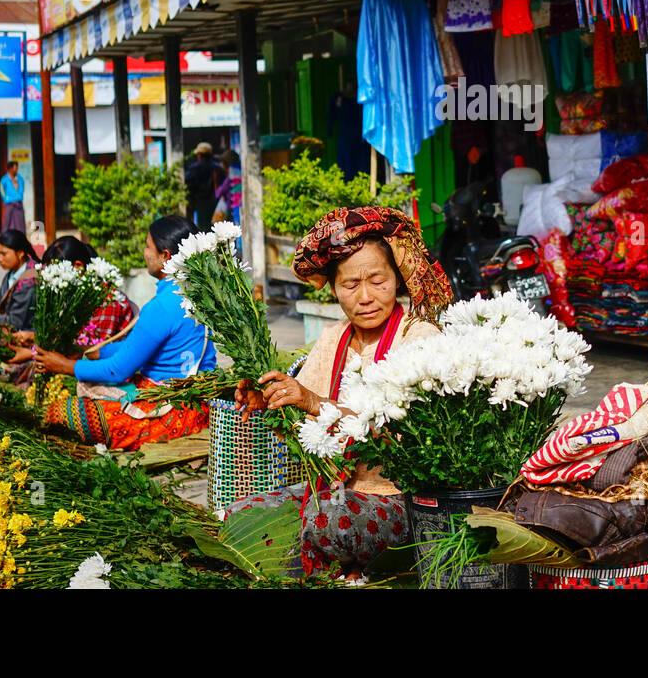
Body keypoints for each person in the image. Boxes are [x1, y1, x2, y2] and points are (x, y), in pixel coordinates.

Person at [230, 206, 453, 579]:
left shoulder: (419, 336)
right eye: (350, 285)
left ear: (397, 280)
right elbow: (305, 421)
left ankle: (355, 565)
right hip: (334, 492)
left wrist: (314, 401)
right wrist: (271, 401)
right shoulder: (333, 337)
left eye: (377, 281)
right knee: (241, 514)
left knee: (332, 522)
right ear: (333, 289)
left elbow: (400, 432)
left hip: (400, 500)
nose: (365, 296)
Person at [33, 216, 216, 450]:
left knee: (60, 416)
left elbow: (118, 369)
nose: (144, 252)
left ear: (165, 256)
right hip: (197, 400)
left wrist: (63, 366)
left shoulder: (162, 306)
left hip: (175, 409)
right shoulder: (195, 292)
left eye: (148, 246)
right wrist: (95, 352)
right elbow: (143, 347)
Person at [5, 236, 137, 383]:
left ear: (78, 266)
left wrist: (32, 353)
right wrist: (34, 338)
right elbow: (69, 340)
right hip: (77, 364)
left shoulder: (108, 300)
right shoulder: (78, 293)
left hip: (101, 374)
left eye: (57, 274)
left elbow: (91, 352)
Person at [184, 142, 225, 228]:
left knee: (203, 229)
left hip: (200, 204)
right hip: (216, 204)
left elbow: (188, 186)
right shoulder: (218, 168)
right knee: (217, 229)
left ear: (199, 155)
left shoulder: (194, 169)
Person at [215, 149, 242, 226]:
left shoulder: (232, 175)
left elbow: (218, 193)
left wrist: (216, 182)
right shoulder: (239, 171)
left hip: (234, 209)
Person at [0, 161, 25, 234]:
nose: (16, 170)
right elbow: (2, 190)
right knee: (7, 222)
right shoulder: (4, 179)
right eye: (15, 168)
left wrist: (19, 196)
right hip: (9, 203)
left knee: (20, 223)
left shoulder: (20, 178)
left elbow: (22, 187)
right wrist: (6, 199)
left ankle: (21, 237)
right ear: (10, 169)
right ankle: (5, 238)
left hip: (18, 202)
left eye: (17, 168)